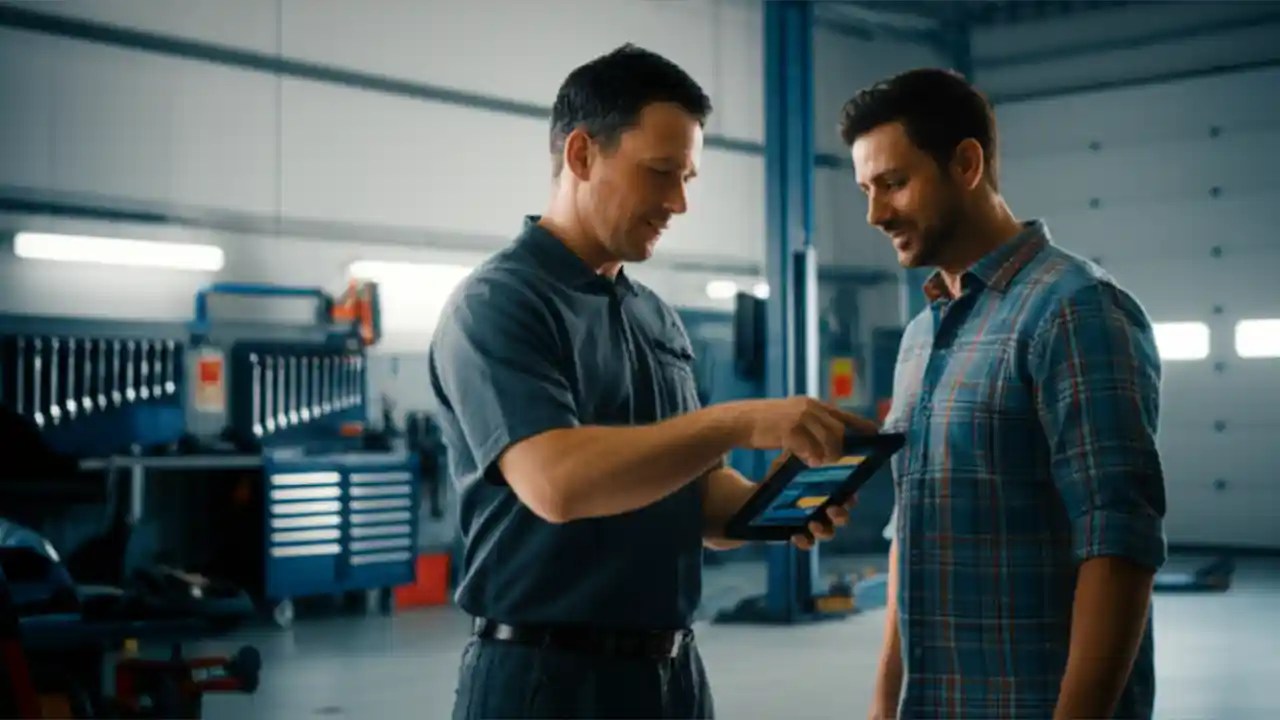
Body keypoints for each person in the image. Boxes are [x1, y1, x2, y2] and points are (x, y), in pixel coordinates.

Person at [428, 44, 877, 720]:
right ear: (581, 155)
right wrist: (737, 421)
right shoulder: (500, 303)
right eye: (661, 172)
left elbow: (696, 500)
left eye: (688, 176)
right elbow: (558, 483)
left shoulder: (654, 317)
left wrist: (773, 509)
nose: (679, 202)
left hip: (671, 677)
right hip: (545, 681)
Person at [838, 68, 1168, 720]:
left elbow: (1118, 542)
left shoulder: (1075, 310)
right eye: (866, 191)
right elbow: (910, 529)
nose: (876, 214)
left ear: (966, 163)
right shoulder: (919, 336)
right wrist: (883, 702)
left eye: (895, 184)